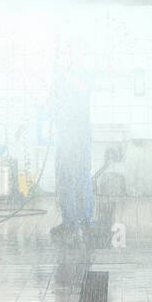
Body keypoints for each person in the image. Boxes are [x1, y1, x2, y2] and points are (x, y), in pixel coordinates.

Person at [49, 38, 93, 243]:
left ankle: (84, 222)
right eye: (66, 53)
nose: (68, 56)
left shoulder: (84, 72)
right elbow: (56, 99)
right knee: (65, 177)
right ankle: (69, 222)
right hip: (64, 132)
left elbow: (82, 87)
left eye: (71, 52)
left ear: (80, 54)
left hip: (79, 133)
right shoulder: (61, 76)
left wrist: (63, 73)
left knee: (80, 175)